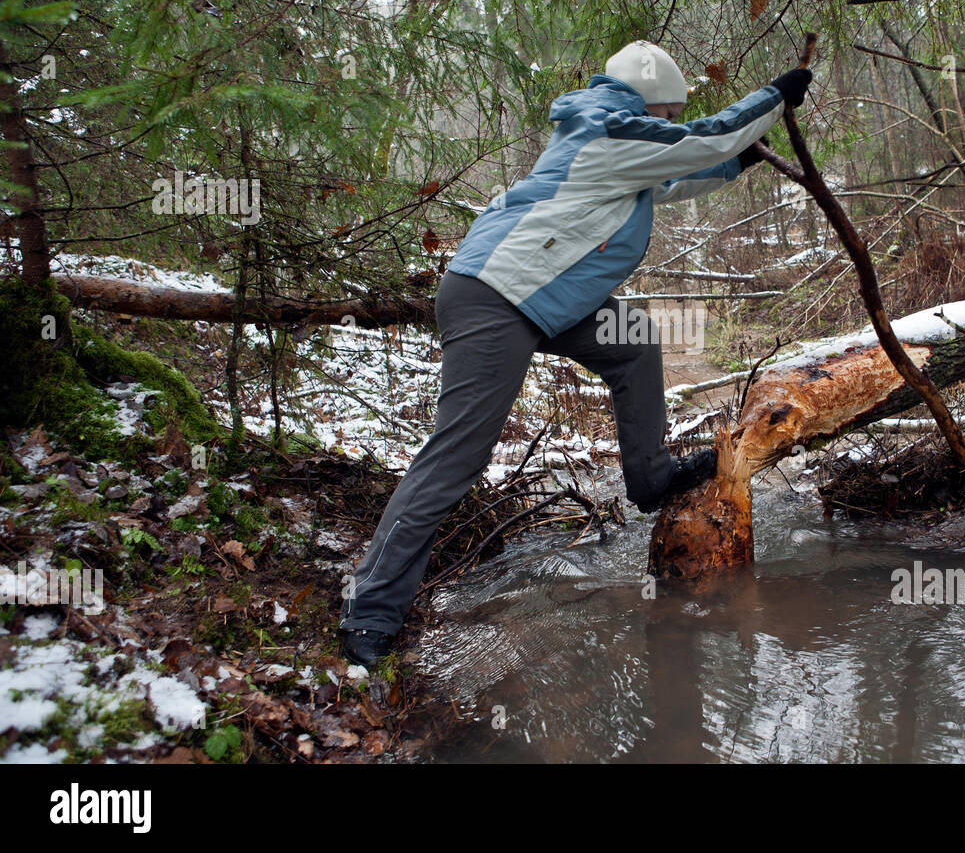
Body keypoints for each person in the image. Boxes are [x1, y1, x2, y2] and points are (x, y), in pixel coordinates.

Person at [338, 40, 813, 668]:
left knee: (634, 340)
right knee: (457, 458)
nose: (666, 126)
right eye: (666, 114)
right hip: (497, 297)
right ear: (648, 103)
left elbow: (681, 171)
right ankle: (369, 612)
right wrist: (773, 99)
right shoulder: (607, 128)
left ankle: (651, 478)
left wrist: (741, 160)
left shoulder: (608, 135)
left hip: (543, 297)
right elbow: (703, 139)